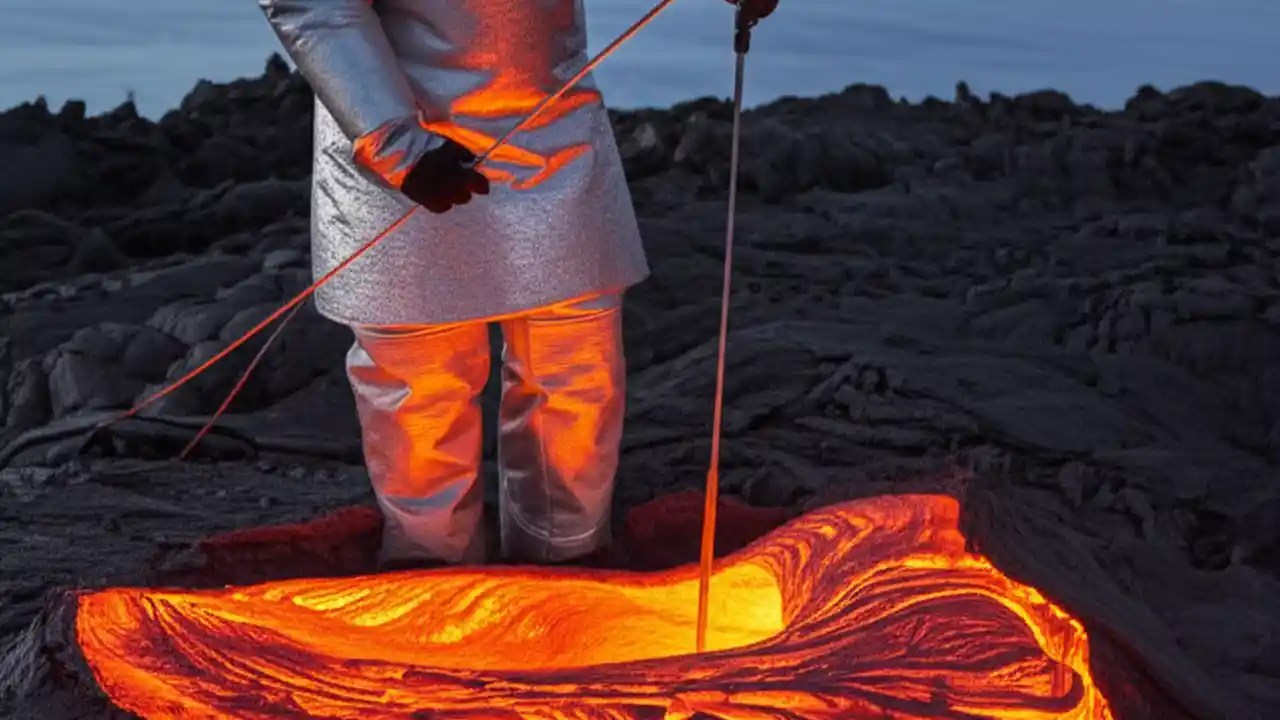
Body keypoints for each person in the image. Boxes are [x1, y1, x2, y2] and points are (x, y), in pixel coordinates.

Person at [257, 0, 651, 568]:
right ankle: (431, 572)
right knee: (418, 385)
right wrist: (395, 143)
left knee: (576, 370)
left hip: (553, 130)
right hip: (397, 147)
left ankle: (567, 565)